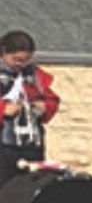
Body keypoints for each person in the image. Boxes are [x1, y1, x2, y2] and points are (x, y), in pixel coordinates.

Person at [0, 31, 60, 192]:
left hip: (31, 142)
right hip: (5, 143)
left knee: (29, 189)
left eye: (26, 60)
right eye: (17, 60)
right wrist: (3, 110)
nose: (22, 64)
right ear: (4, 53)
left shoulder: (35, 76)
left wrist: (45, 107)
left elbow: (52, 99)